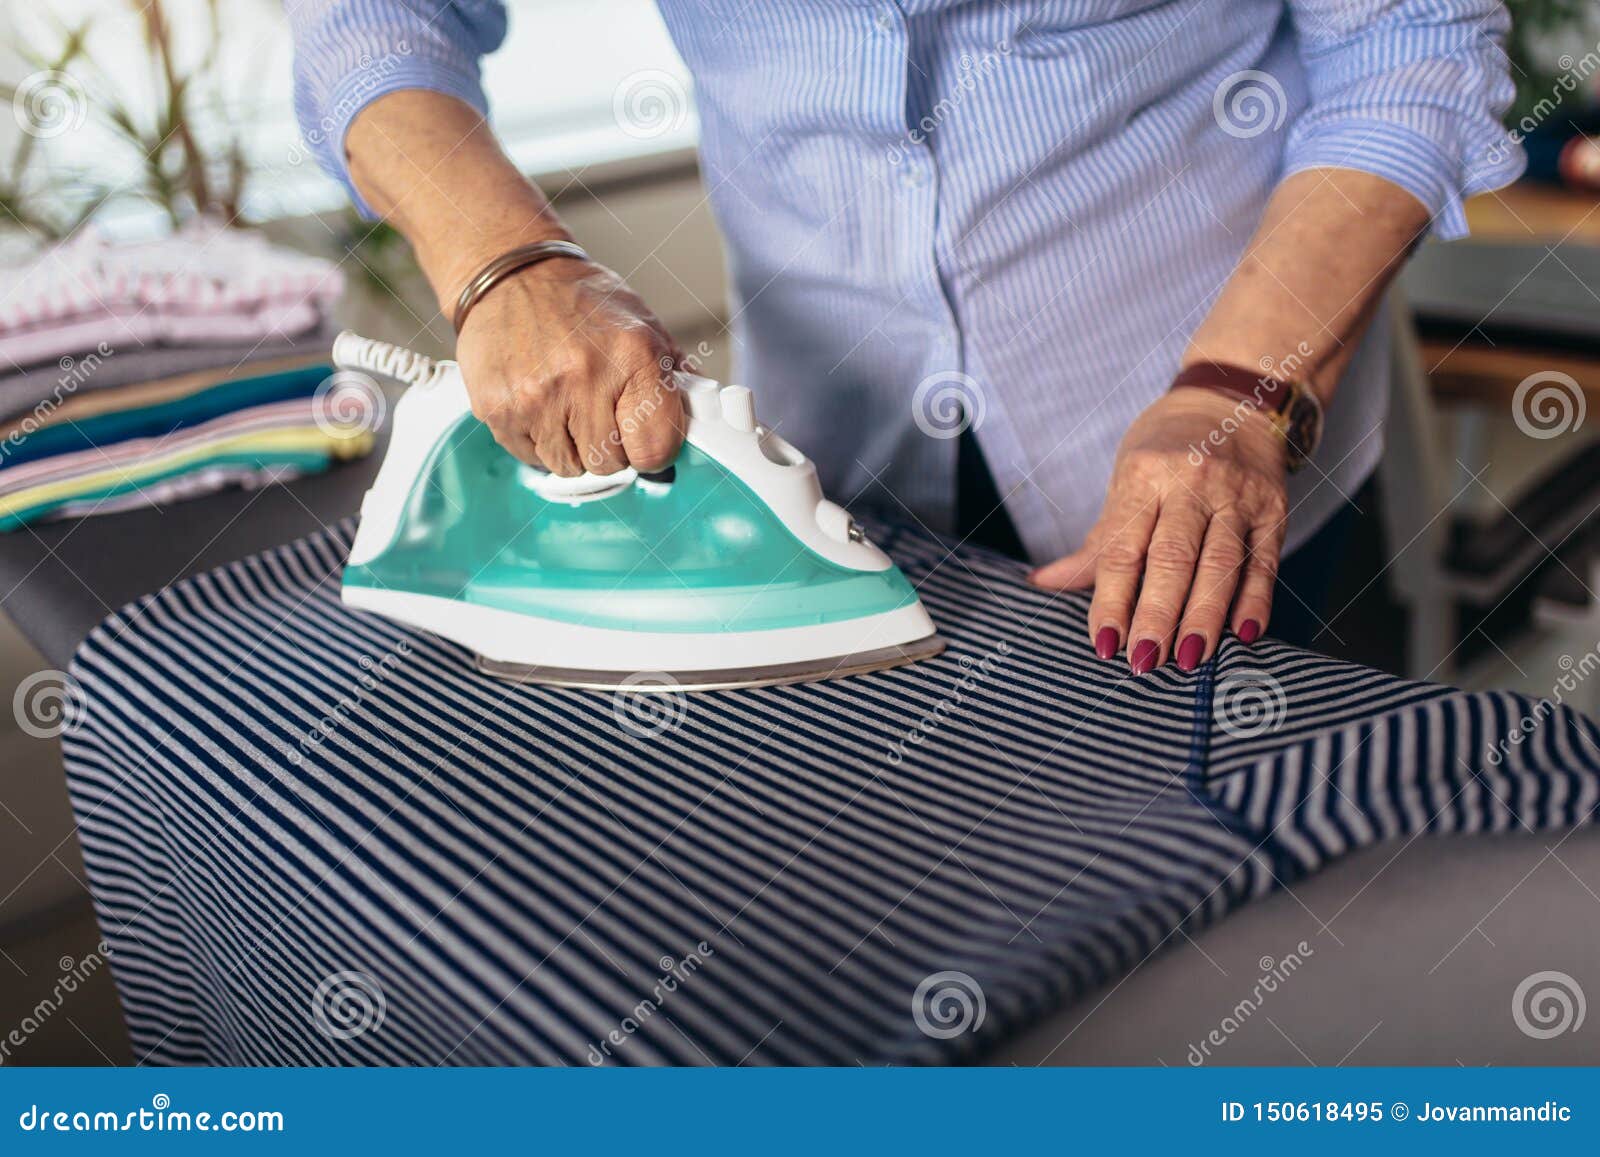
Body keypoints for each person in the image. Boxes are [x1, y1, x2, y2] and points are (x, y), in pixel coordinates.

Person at [289, 1, 1521, 671]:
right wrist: (508, 264)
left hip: (1219, 461)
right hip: (845, 441)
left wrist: (1238, 388)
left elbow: (1410, 51)